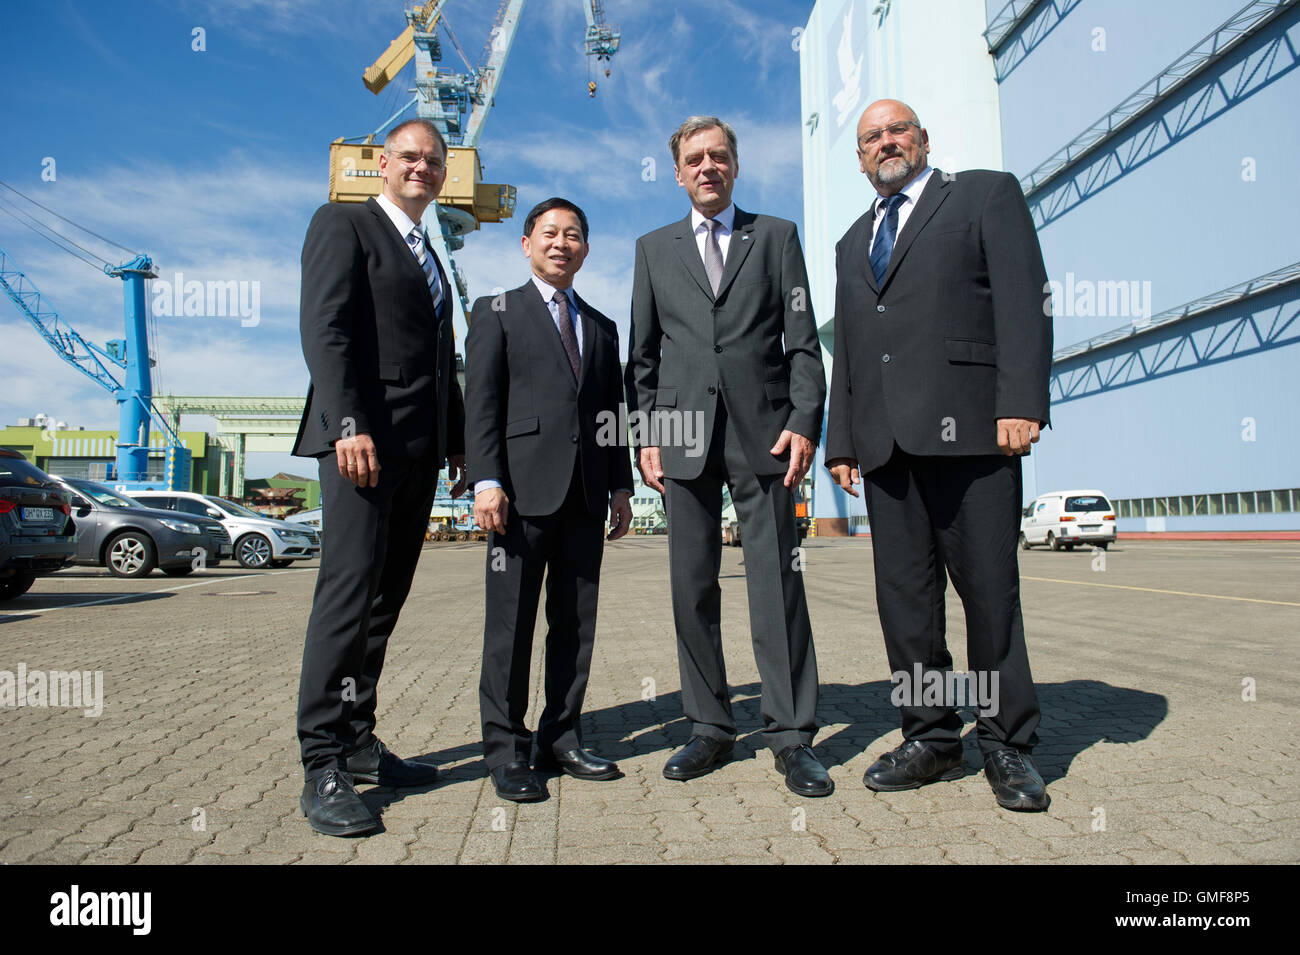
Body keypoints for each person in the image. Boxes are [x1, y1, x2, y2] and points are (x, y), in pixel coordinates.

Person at [824, 99, 1052, 811]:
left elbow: (1025, 300)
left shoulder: (983, 195)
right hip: (886, 449)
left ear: (922, 138)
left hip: (974, 434)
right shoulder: (851, 242)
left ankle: (1006, 742)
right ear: (860, 158)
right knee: (906, 604)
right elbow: (851, 348)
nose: (886, 142)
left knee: (988, 593)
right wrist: (841, 438)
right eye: (872, 137)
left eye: (898, 130)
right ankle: (930, 736)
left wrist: (1022, 400)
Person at [626, 117, 831, 797]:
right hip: (682, 433)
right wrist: (646, 435)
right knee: (692, 586)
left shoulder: (775, 237)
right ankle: (709, 726)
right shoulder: (652, 250)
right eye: (695, 159)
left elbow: (802, 342)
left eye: (718, 155)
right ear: (678, 173)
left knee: (776, 582)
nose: (707, 166)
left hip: (764, 433)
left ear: (735, 166)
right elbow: (643, 356)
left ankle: (791, 734)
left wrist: (803, 421)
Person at [293, 118, 466, 836]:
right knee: (347, 596)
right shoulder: (344, 225)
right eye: (409, 157)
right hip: (359, 445)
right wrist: (347, 423)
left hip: (418, 451)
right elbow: (324, 328)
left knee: (383, 603)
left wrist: (456, 439)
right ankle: (321, 761)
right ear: (383, 164)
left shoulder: (430, 256)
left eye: (433, 161)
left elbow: (440, 356)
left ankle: (359, 738)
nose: (421, 168)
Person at [467, 198, 633, 802]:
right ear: (527, 244)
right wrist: (486, 480)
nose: (561, 243)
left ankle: (560, 737)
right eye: (549, 233)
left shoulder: (603, 327)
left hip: (585, 496)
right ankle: (507, 750)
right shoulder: (496, 311)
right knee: (510, 627)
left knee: (574, 625)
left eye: (573, 235)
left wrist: (621, 485)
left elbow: (613, 412)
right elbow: (481, 403)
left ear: (585, 249)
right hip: (517, 497)